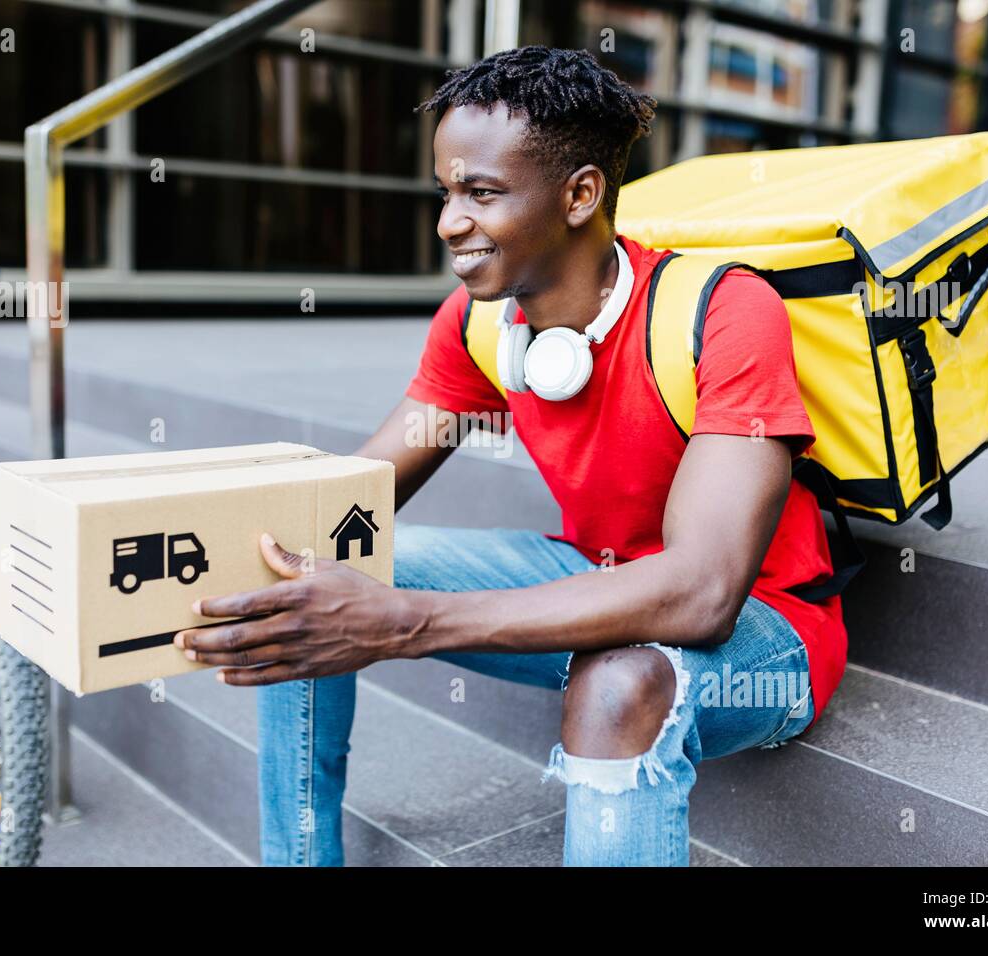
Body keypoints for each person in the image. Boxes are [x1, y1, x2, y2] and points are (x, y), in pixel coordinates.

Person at [172, 45, 846, 866]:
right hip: (591, 575)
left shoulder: (727, 312)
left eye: (482, 193)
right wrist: (191, 554)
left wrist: (409, 622)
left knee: (617, 686)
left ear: (580, 194)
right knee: (303, 579)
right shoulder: (479, 322)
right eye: (448, 191)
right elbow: (355, 498)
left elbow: (702, 594)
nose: (450, 221)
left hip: (767, 634)